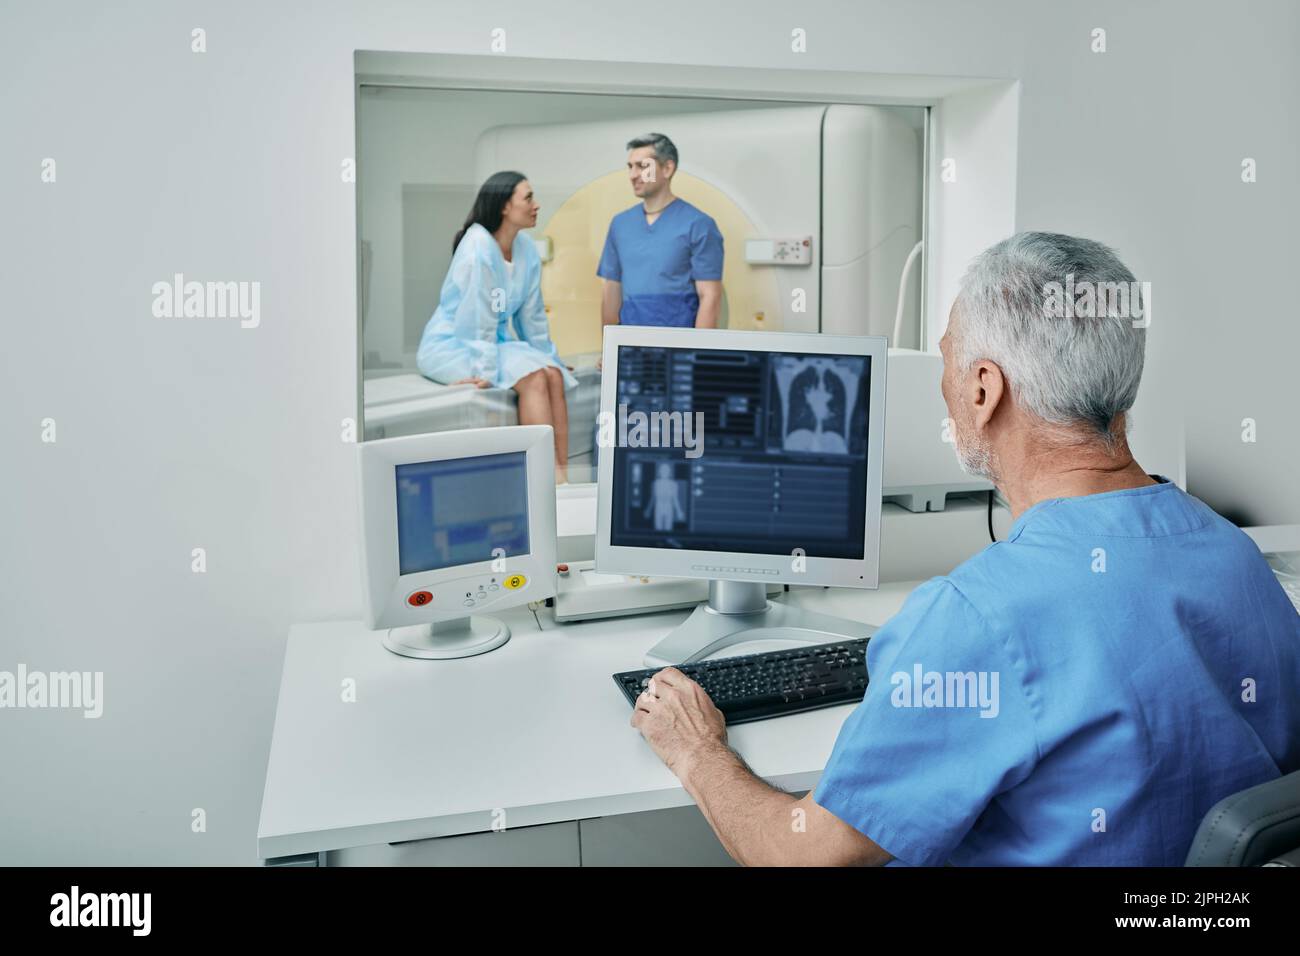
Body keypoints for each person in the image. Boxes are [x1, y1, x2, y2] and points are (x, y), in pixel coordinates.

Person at [628, 232, 1300, 866]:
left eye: (948, 362)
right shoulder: (1233, 555)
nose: (943, 385)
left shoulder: (978, 615)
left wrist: (697, 752)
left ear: (984, 389)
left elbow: (805, 852)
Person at [418, 172, 578, 481]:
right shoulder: (478, 246)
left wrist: (550, 357)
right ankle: (544, 483)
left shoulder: (527, 250)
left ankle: (562, 479)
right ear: (505, 206)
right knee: (533, 379)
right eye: (528, 198)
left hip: (491, 341)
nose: (537, 205)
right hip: (452, 344)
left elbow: (531, 316)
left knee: (552, 376)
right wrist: (484, 372)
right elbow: (476, 320)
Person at [597, 133, 724, 331]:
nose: (633, 175)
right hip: (630, 345)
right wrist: (608, 349)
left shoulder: (698, 224)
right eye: (630, 167)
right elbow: (611, 290)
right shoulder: (620, 224)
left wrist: (698, 354)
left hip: (678, 345)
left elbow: (710, 296)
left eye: (642, 166)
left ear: (667, 168)